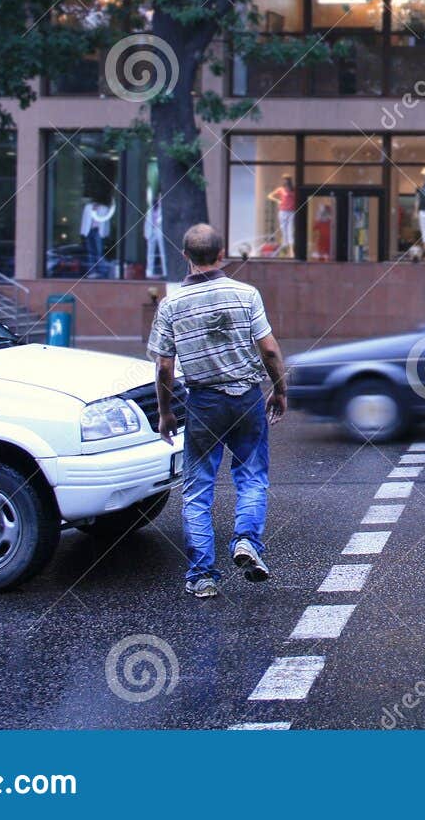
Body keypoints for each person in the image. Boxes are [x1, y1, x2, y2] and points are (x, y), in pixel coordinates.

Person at [148, 223, 287, 598]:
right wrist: (278, 390)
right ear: (221, 254)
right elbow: (270, 350)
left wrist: (165, 413)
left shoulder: (172, 305)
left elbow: (163, 366)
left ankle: (202, 576)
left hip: (203, 402)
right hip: (246, 398)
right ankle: (247, 542)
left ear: (185, 256)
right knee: (252, 476)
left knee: (197, 490)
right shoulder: (246, 294)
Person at [80, 196, 116, 278]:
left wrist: (106, 234)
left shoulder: (104, 208)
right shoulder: (88, 207)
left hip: (98, 231)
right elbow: (84, 220)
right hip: (89, 231)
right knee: (90, 252)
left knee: (99, 252)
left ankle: (101, 271)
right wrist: (82, 232)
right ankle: (92, 272)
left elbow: (106, 222)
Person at [267, 176, 297, 257]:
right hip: (283, 211)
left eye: (287, 180)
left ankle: (291, 252)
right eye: (285, 180)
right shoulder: (281, 189)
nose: (286, 182)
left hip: (291, 212)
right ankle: (286, 251)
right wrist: (278, 201)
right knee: (284, 231)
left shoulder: (294, 190)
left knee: (290, 231)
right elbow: (270, 195)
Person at [144, 194, 167, 280]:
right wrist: (146, 233)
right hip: (151, 231)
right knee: (150, 252)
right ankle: (149, 270)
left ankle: (165, 271)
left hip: (159, 231)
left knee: (162, 251)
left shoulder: (162, 210)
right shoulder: (150, 210)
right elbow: (146, 222)